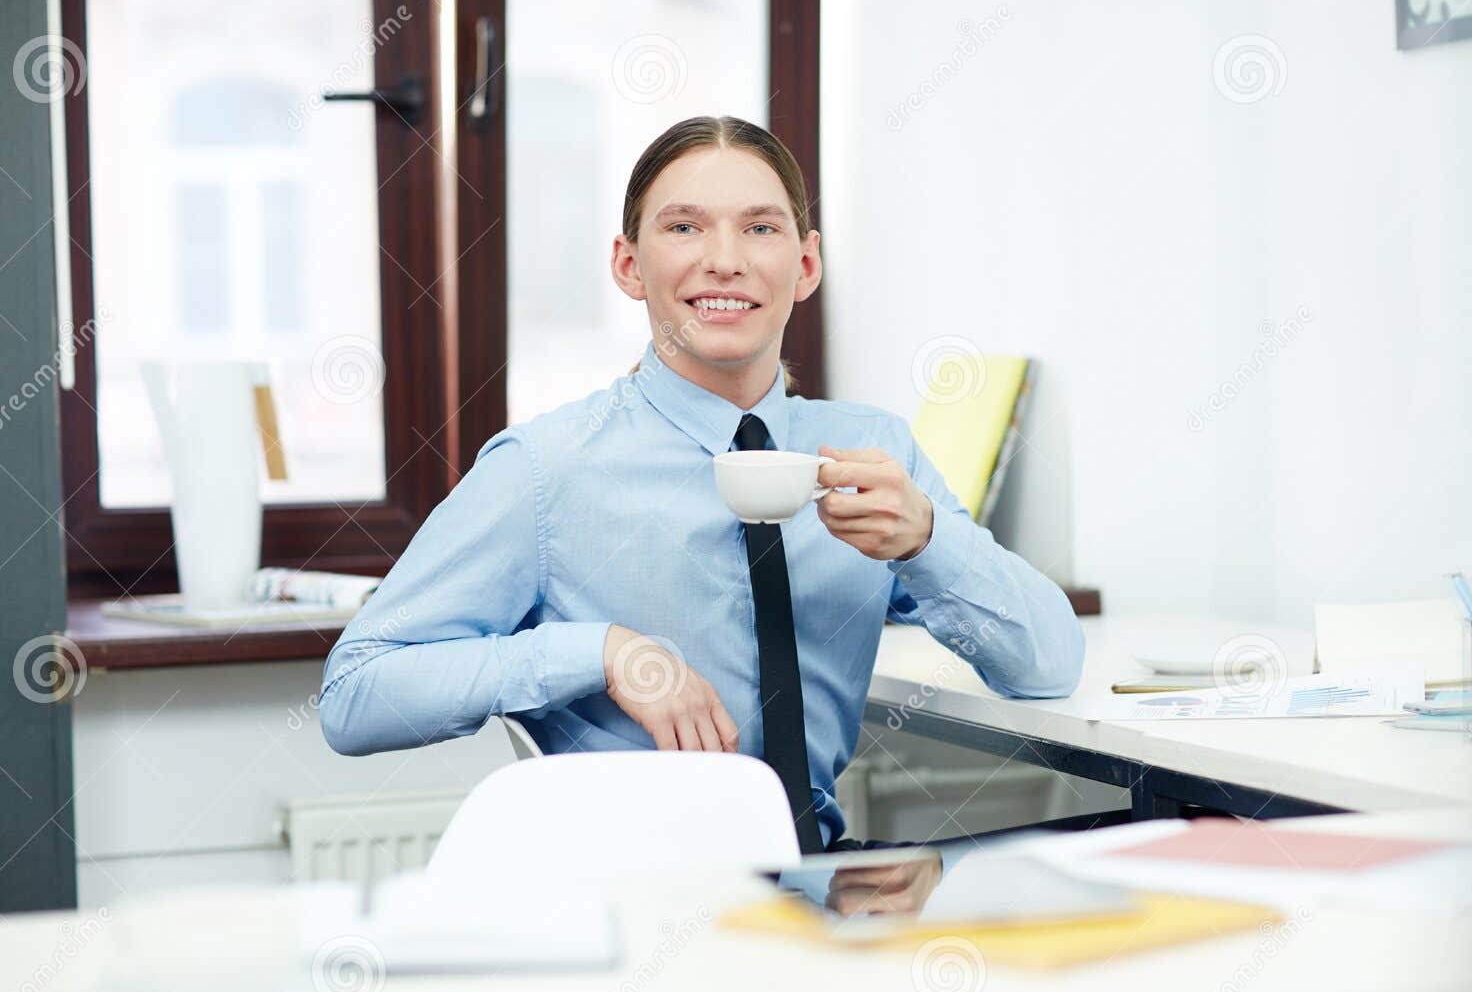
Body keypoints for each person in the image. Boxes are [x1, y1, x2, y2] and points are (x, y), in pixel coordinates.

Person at [318, 115, 1085, 854]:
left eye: (760, 228)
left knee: (1084, 865)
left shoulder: (875, 452)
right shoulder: (545, 468)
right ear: (628, 265)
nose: (725, 259)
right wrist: (599, 653)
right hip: (636, 894)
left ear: (806, 265)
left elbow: (1049, 666)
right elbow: (354, 696)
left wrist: (928, 542)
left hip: (819, 878)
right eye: (685, 226)